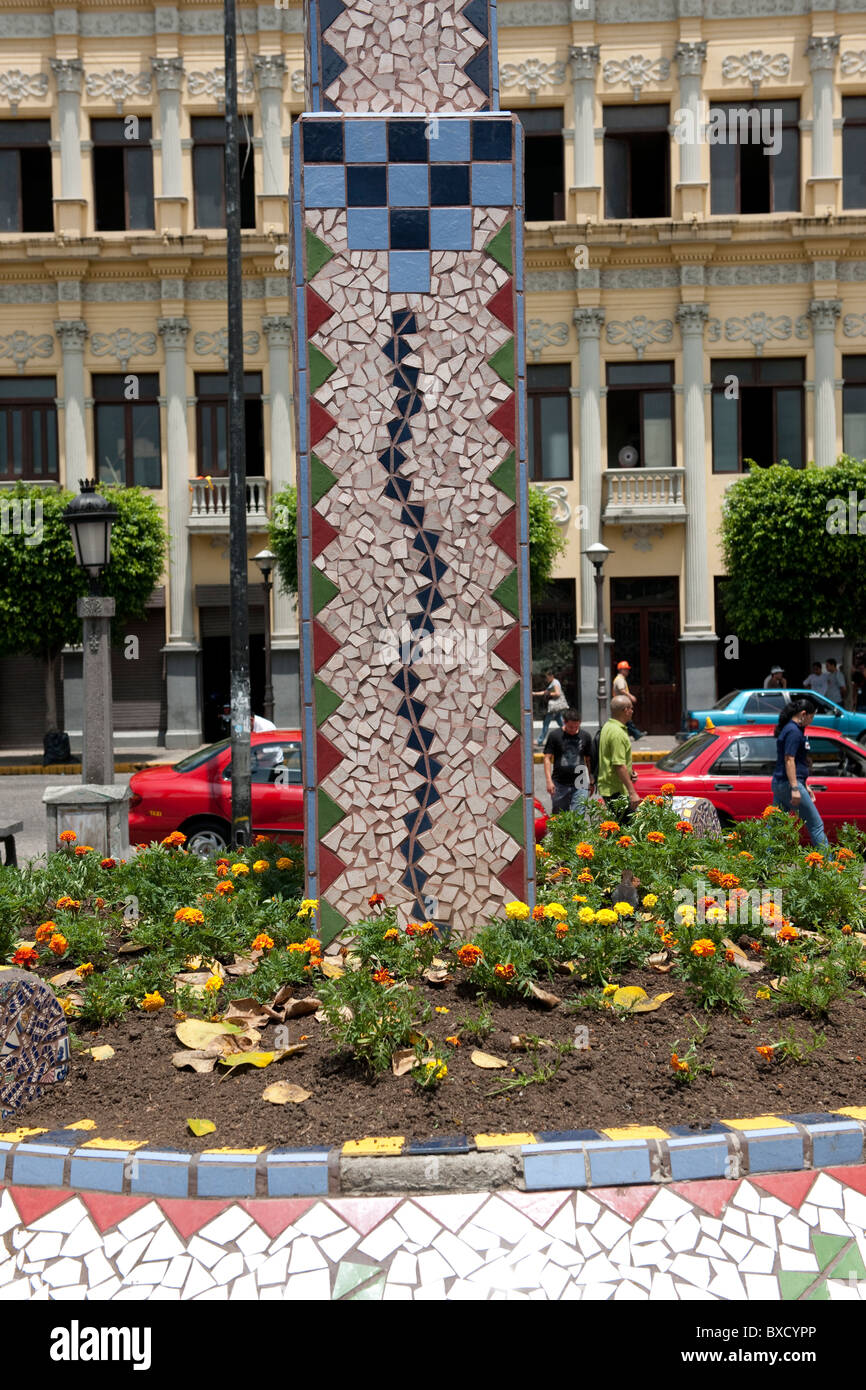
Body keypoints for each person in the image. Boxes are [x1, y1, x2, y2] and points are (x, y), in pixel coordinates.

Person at [771, 696, 829, 848]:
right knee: (816, 825)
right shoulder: (794, 732)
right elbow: (789, 759)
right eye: (811, 717)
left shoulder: (789, 729)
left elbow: (795, 762)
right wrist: (796, 788)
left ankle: (760, 865)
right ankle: (828, 867)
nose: (812, 721)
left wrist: (804, 785)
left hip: (782, 783)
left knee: (773, 828)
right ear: (803, 714)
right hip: (789, 785)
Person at [543, 709, 593, 816]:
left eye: (577, 727)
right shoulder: (555, 735)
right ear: (564, 722)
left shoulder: (585, 736)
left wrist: (591, 780)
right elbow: (547, 758)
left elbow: (589, 760)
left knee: (578, 817)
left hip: (581, 782)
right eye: (571, 727)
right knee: (560, 817)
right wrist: (548, 781)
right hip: (560, 783)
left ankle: (576, 833)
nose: (574, 730)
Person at [597, 694, 640, 816]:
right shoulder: (618, 733)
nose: (632, 711)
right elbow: (619, 765)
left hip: (609, 787)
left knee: (618, 829)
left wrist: (631, 773)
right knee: (627, 829)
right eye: (631, 708)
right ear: (625, 710)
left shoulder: (608, 726)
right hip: (616, 790)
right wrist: (632, 792)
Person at [612, 660, 646, 741]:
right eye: (626, 669)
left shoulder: (620, 678)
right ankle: (636, 734)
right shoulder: (620, 679)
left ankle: (635, 734)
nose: (628, 671)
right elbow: (622, 690)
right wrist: (631, 696)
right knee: (626, 719)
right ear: (621, 670)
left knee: (625, 720)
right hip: (621, 703)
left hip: (621, 703)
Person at [533, 671, 568, 746]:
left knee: (546, 723)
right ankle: (568, 737)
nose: (546, 679)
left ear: (551, 676)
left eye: (546, 677)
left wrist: (549, 694)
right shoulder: (553, 683)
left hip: (554, 707)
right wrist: (535, 693)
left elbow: (558, 693)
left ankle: (540, 740)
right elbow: (545, 692)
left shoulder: (555, 683)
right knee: (560, 722)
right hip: (555, 708)